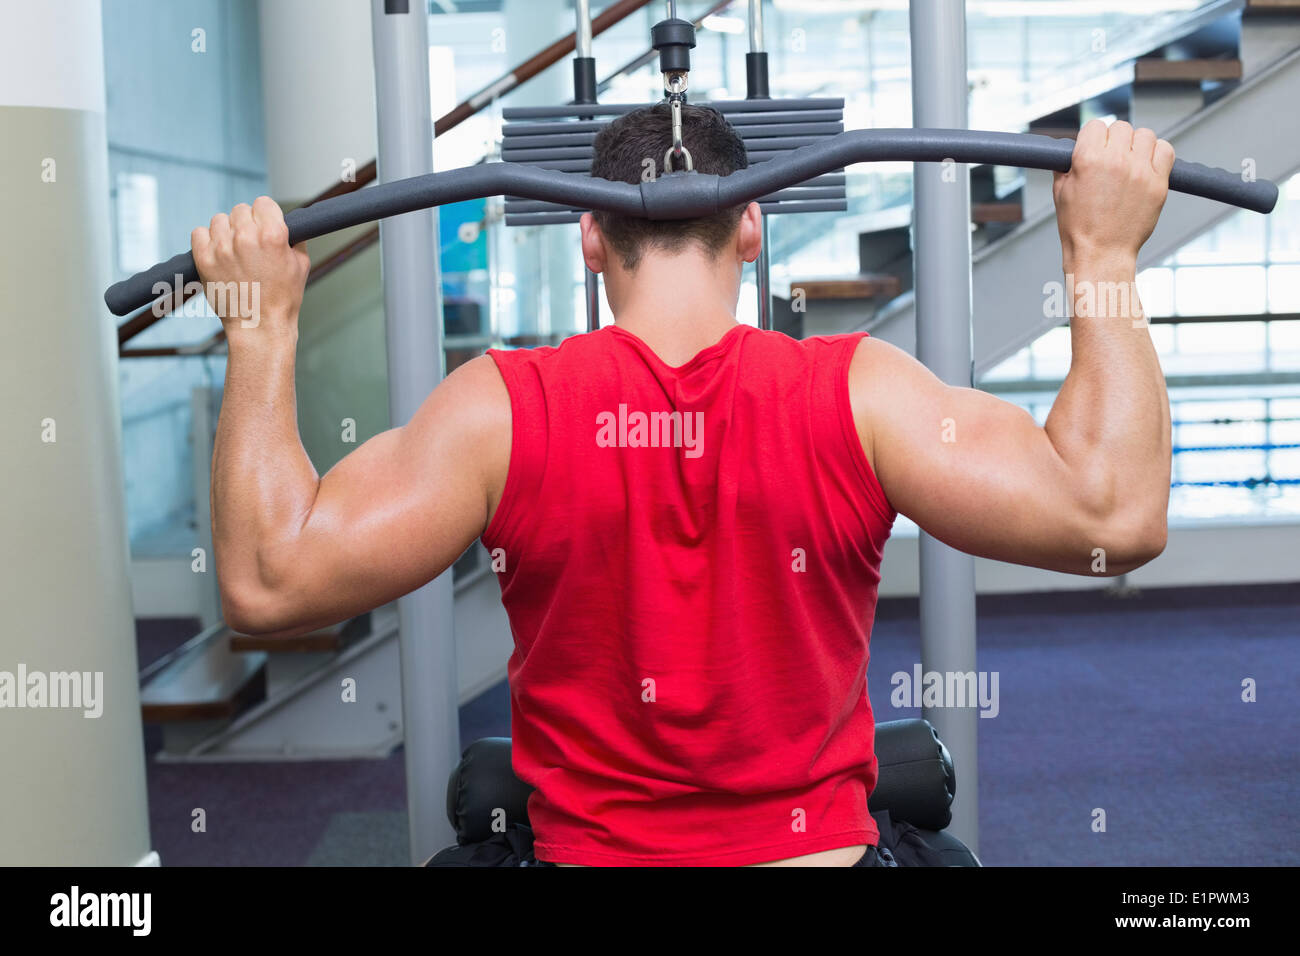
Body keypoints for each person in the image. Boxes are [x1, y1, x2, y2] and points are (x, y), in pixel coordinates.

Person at [190, 104, 1173, 867]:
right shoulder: (861, 393)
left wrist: (260, 327)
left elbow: (271, 581)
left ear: (588, 236)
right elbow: (1112, 512)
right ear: (750, 226)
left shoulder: (499, 408)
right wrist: (1102, 255)